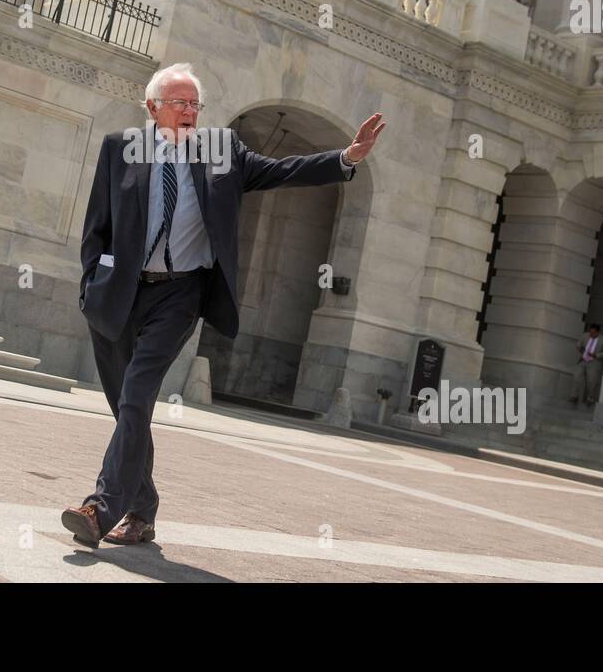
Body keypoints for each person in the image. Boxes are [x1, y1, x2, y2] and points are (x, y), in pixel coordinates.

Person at [62, 62, 386, 546]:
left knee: (137, 394)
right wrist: (91, 284)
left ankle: (99, 509)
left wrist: (344, 157)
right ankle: (144, 512)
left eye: (195, 103)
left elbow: (280, 172)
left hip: (180, 293)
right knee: (126, 408)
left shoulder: (221, 151)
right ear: (152, 108)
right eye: (179, 103)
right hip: (119, 293)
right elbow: (97, 224)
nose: (190, 111)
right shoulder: (119, 148)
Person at [569, 323, 603, 406]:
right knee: (576, 376)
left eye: (593, 333)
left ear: (598, 332)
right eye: (590, 332)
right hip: (583, 360)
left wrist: (597, 355)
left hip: (594, 362)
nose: (591, 334)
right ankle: (574, 396)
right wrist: (580, 349)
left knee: (591, 381)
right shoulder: (585, 336)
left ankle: (590, 398)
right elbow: (578, 344)